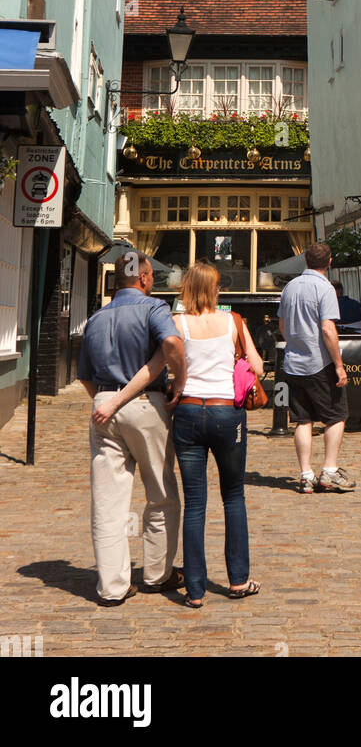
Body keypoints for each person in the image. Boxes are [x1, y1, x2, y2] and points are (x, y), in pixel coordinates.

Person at [78, 249, 186, 606]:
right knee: (161, 491)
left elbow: (83, 375)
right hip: (144, 404)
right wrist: (180, 379)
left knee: (108, 501)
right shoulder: (154, 308)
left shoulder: (96, 318)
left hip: (103, 407)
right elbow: (170, 343)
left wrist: (106, 403)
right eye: (151, 275)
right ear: (142, 277)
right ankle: (158, 573)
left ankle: (112, 586)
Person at [171, 261, 264, 607]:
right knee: (233, 496)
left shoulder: (176, 323)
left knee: (195, 503)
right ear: (213, 289)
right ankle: (238, 580)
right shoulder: (234, 321)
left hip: (189, 410)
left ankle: (194, 591)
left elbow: (165, 364)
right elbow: (256, 365)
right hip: (228, 413)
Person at [278, 241, 356, 493]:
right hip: (319, 362)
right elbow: (327, 329)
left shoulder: (290, 287)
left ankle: (305, 474)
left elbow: (282, 325)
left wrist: (295, 342)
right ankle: (330, 471)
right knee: (336, 416)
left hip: (293, 362)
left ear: (305, 261)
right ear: (330, 262)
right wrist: (339, 365)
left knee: (302, 420)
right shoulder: (325, 288)